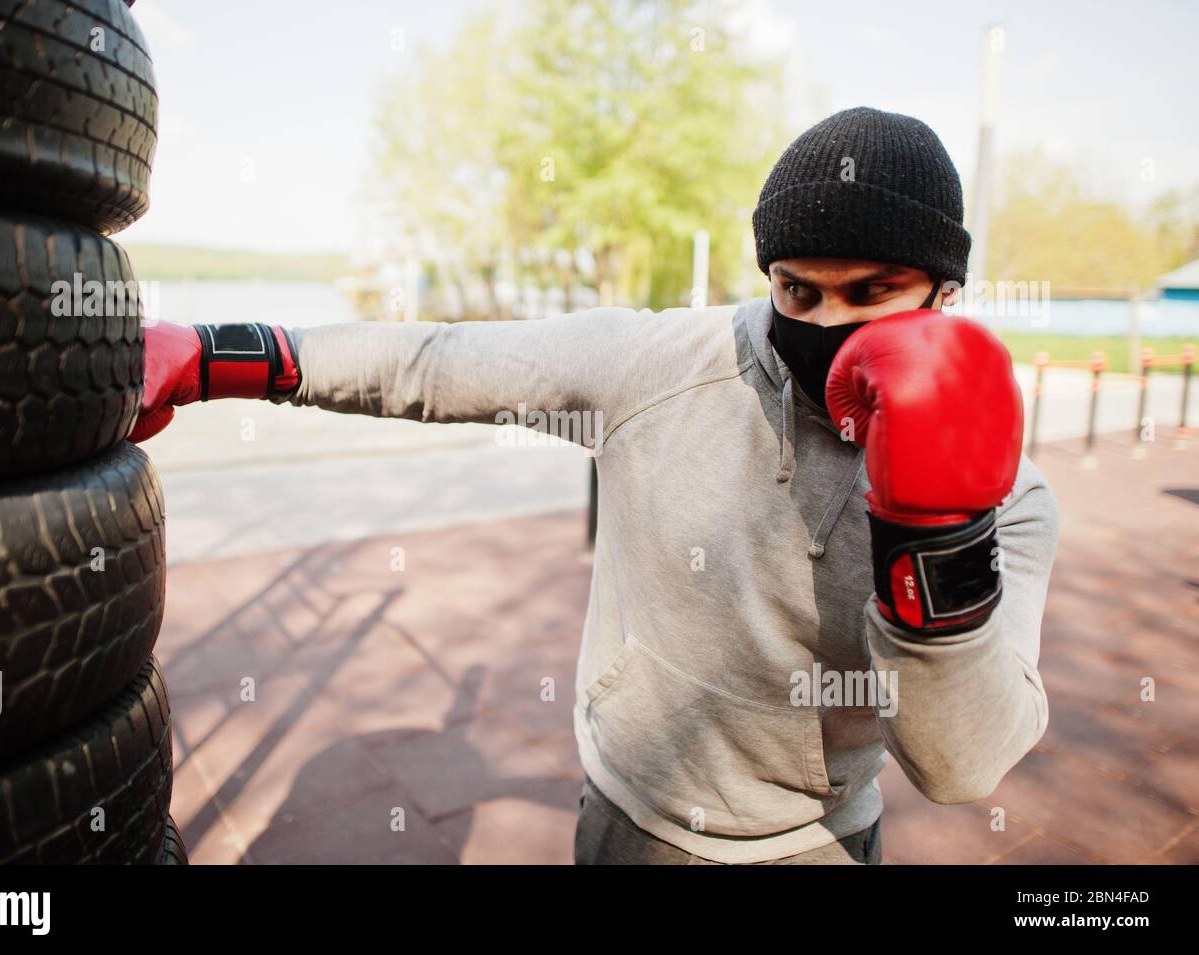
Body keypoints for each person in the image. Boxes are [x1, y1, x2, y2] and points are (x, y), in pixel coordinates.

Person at [132, 107, 1059, 865]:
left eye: (872, 293)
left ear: (945, 296)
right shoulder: (661, 364)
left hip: (821, 840)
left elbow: (962, 765)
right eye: (798, 292)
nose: (827, 323)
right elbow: (439, 360)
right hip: (632, 820)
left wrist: (934, 537)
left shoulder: (1012, 496)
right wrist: (216, 354)